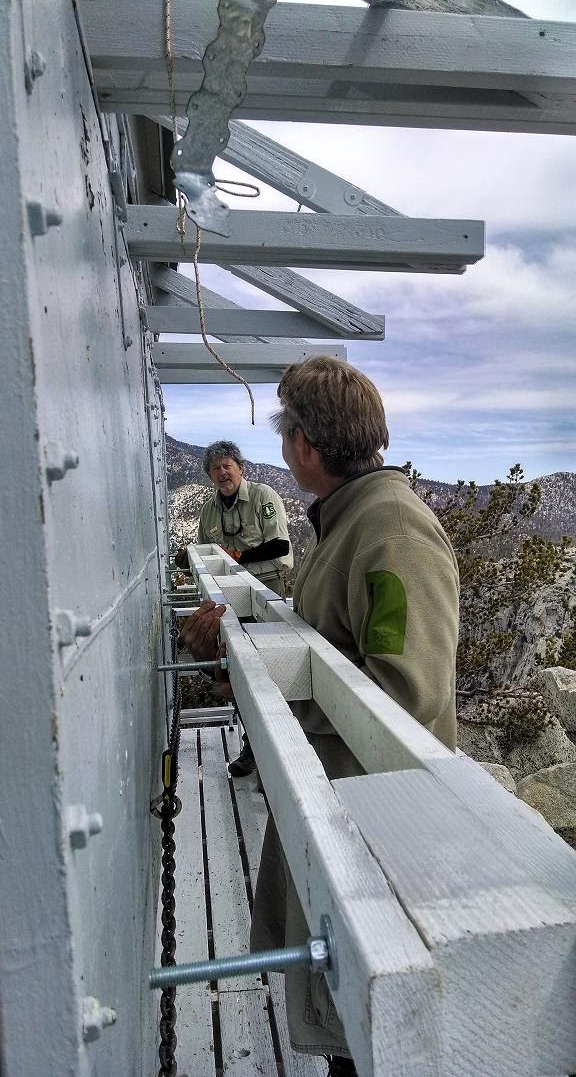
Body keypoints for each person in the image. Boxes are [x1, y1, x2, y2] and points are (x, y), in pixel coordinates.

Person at [182, 359, 459, 1075]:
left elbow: (405, 694)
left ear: (303, 444)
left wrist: (257, 677)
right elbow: (324, 648)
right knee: (343, 1012)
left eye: (285, 435)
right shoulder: (351, 520)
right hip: (337, 799)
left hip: (373, 820)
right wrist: (238, 657)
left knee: (364, 1027)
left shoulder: (391, 532)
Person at [176, 439, 293, 776]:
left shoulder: (262, 496)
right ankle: (252, 746)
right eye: (215, 468)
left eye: (227, 465)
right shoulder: (209, 511)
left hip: (266, 592)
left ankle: (283, 748)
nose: (222, 472)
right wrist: (189, 559)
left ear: (241, 468)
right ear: (210, 475)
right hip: (227, 599)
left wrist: (239, 556)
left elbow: (280, 545)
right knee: (237, 673)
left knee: (271, 670)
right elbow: (205, 553)